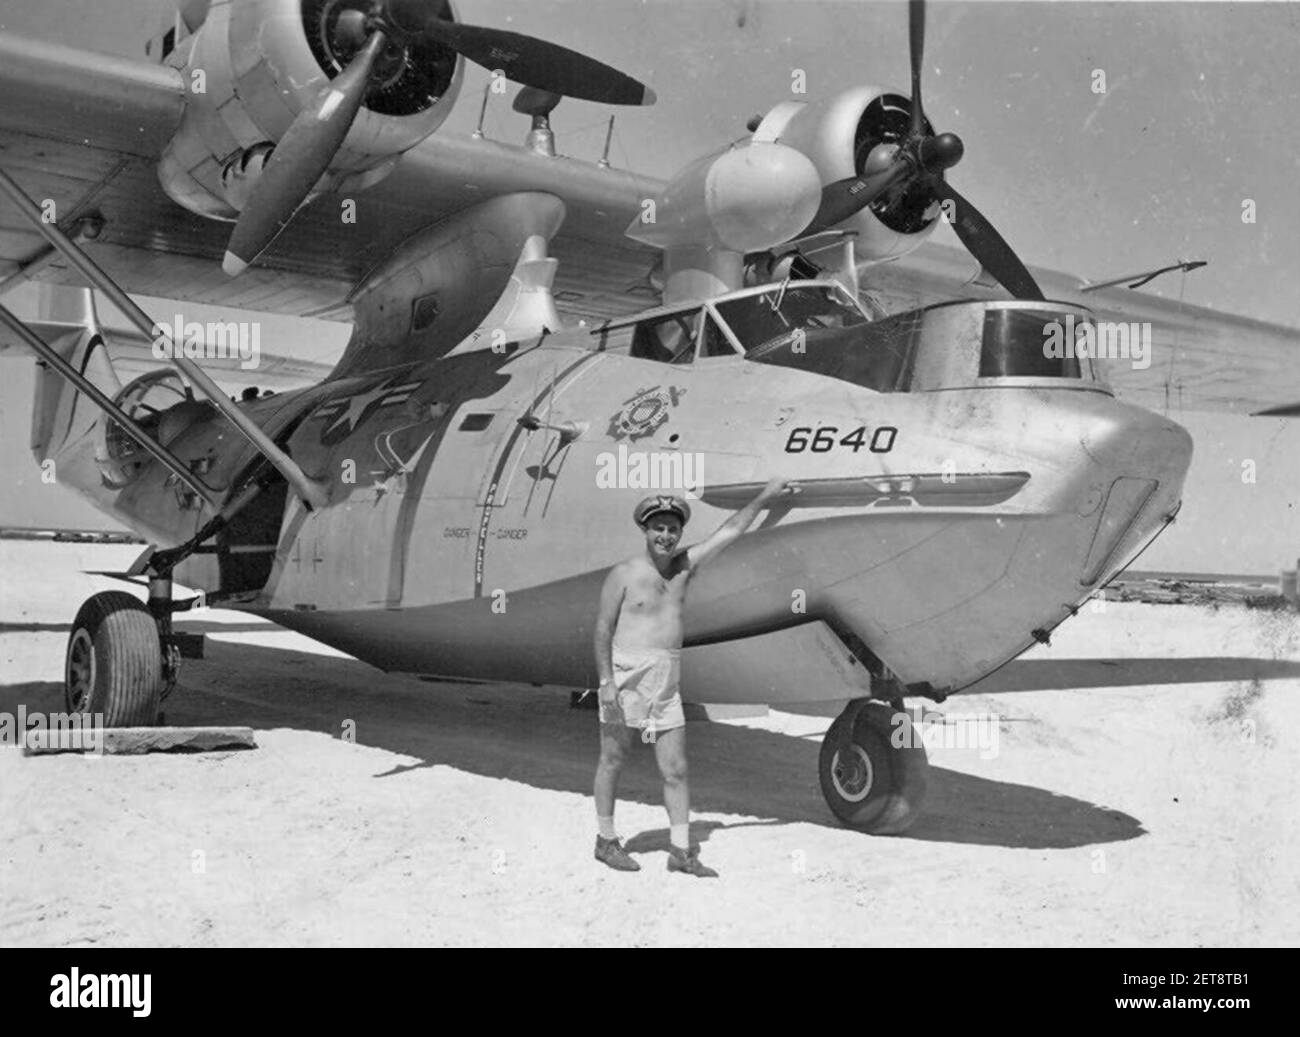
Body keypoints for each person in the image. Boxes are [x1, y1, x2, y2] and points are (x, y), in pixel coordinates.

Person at [592, 477, 793, 877]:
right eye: (658, 528)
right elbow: (601, 629)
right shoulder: (624, 573)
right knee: (613, 759)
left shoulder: (685, 568)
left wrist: (766, 497)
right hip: (626, 674)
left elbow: (730, 532)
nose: (665, 536)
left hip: (666, 676)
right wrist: (606, 682)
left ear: (679, 533)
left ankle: (681, 851)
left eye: (672, 529)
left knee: (676, 768)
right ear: (645, 531)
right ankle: (606, 840)